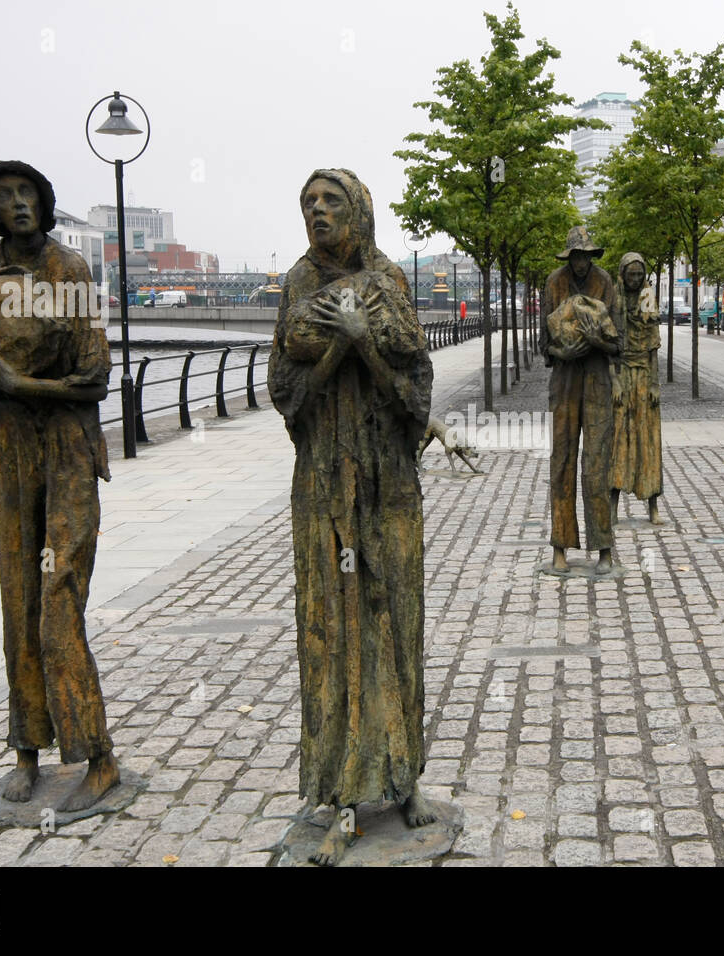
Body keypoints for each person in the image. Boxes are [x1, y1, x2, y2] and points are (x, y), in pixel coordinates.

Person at [267, 169, 435, 866]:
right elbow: (286, 395)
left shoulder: (390, 281)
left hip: (388, 484)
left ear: (359, 211)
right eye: (309, 203)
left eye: (331, 202)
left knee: (395, 617)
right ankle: (336, 786)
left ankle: (403, 777)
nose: (318, 212)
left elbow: (415, 394)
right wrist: (341, 345)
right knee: (330, 625)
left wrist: (364, 338)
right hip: (325, 484)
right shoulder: (299, 286)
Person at [0, 160, 117, 811]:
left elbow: (96, 375)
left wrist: (24, 387)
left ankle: (98, 756)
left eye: (26, 193)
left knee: (57, 602)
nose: (17, 203)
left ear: (43, 202)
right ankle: (26, 751)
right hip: (12, 452)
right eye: (4, 196)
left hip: (68, 448)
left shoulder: (68, 270)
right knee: (17, 600)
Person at [540, 226, 619, 574]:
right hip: (566, 379)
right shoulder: (554, 283)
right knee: (562, 459)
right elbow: (544, 344)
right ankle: (560, 545)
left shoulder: (606, 282)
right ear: (569, 257)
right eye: (576, 257)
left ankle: (603, 548)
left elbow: (619, 344)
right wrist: (564, 351)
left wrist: (596, 342)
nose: (581, 263)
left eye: (586, 256)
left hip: (598, 379)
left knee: (597, 463)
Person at [609, 252, 663, 525]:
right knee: (619, 438)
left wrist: (655, 382)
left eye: (639, 274)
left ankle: (653, 505)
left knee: (648, 439)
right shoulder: (614, 298)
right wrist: (615, 380)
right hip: (622, 374)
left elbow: (653, 342)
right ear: (622, 274)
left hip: (644, 376)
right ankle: (613, 505)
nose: (635, 279)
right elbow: (608, 344)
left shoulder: (647, 297)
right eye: (630, 274)